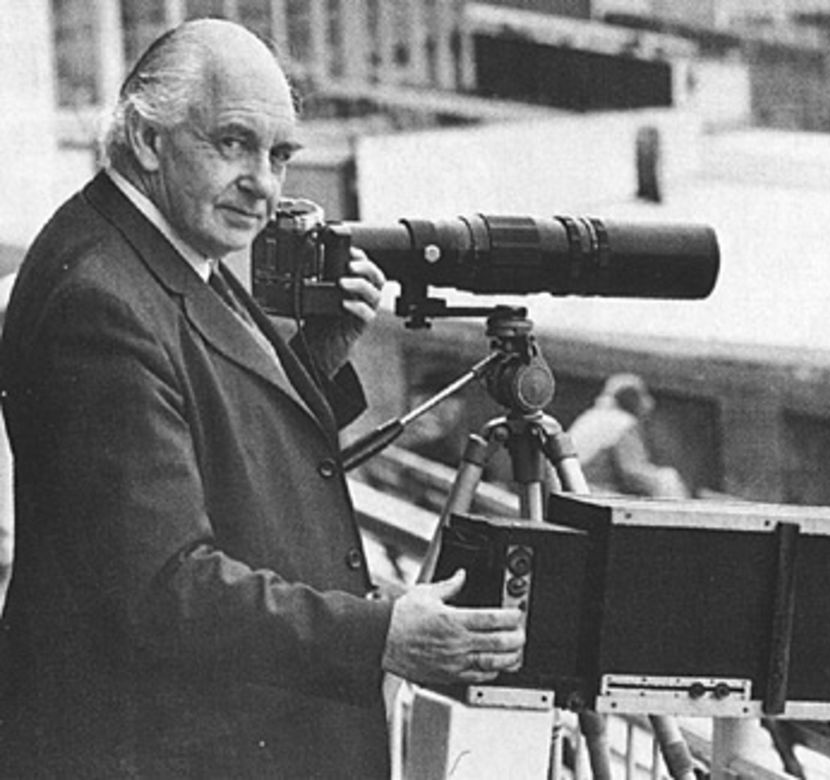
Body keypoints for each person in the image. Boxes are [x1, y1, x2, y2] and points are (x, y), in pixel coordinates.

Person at [0, 19, 523, 778]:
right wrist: (382, 636)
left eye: (280, 155)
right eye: (234, 144)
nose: (266, 185)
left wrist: (316, 357)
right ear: (149, 140)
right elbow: (163, 587)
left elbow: (207, 434)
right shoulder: (101, 301)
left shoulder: (155, 247)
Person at [568, 373, 688, 498]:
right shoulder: (624, 423)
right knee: (667, 477)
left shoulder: (590, 416)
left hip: (575, 486)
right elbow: (631, 471)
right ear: (630, 398)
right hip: (592, 489)